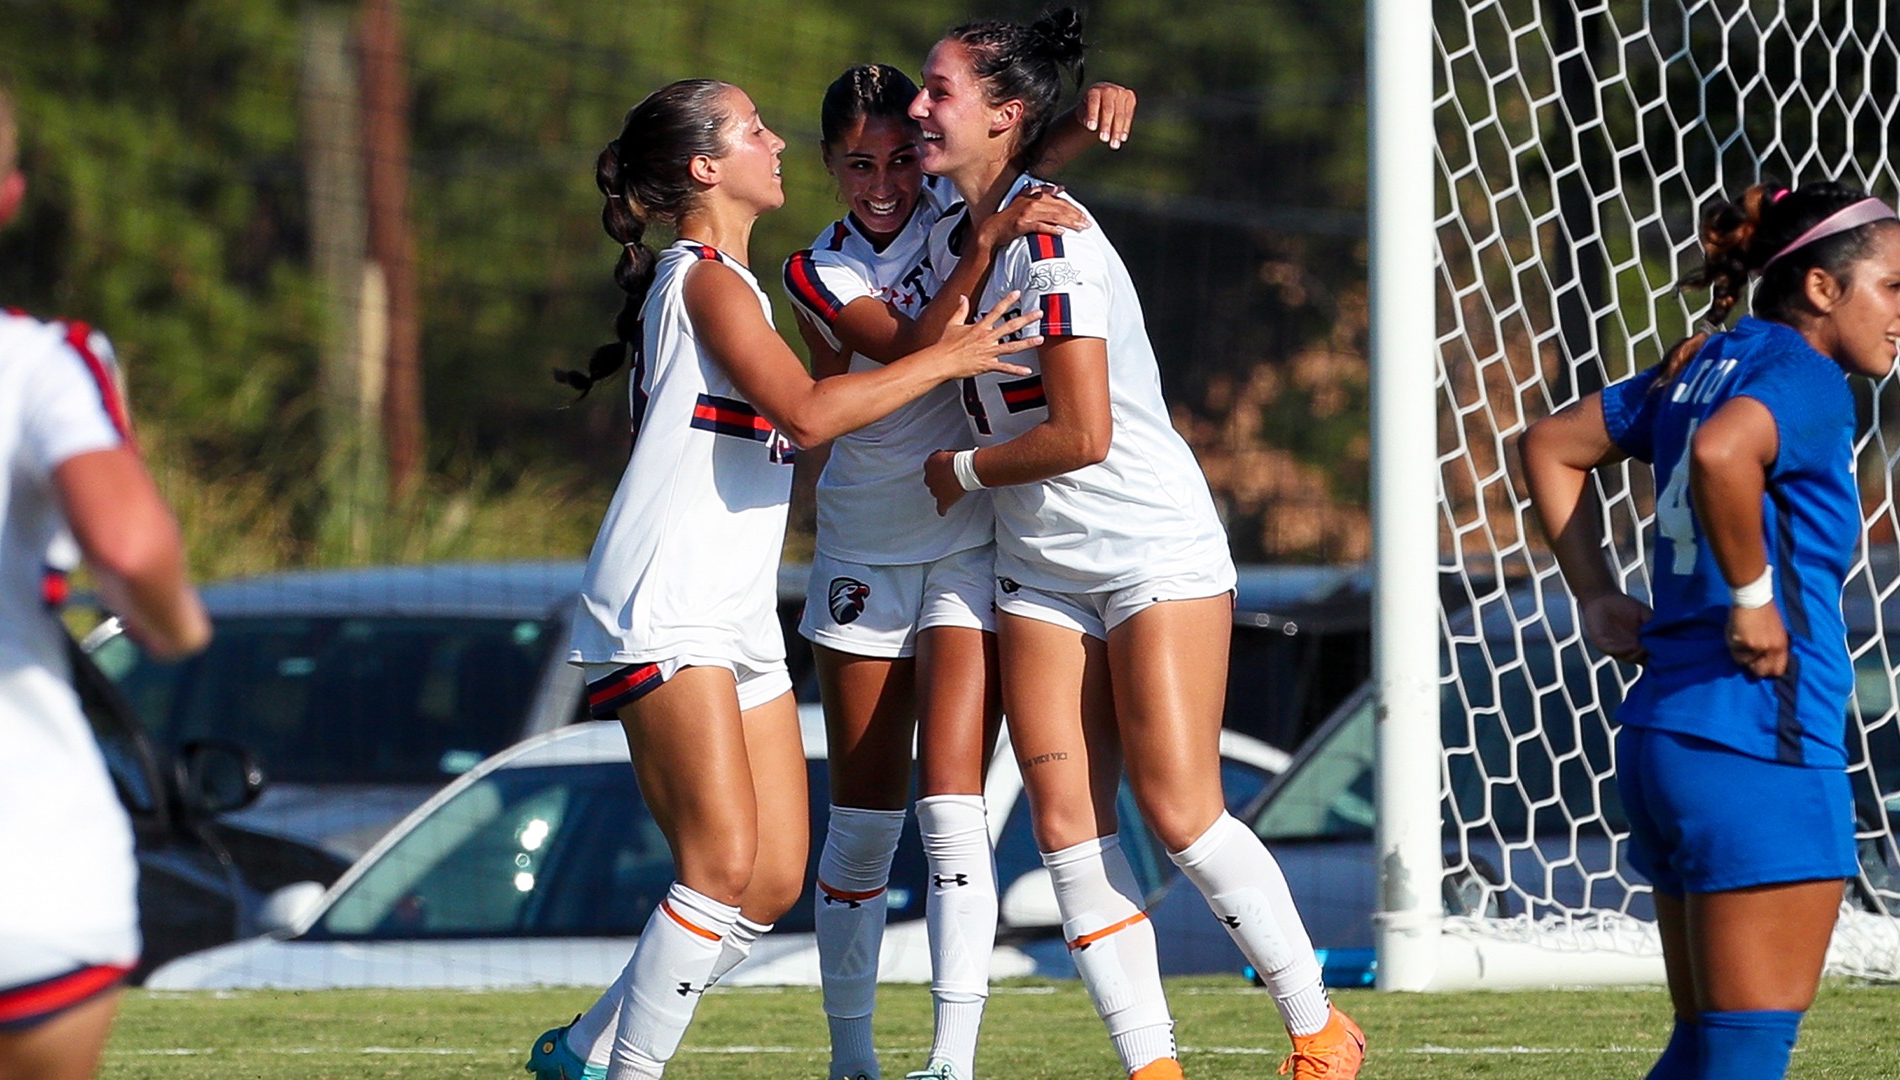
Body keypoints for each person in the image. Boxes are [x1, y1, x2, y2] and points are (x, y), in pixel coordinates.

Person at [524, 78, 1040, 1080]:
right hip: (665, 606)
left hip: (735, 615)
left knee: (765, 884)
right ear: (707, 169)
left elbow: (814, 404)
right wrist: (949, 359)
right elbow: (809, 413)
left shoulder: (740, 286)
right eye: (752, 129)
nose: (776, 143)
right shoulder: (707, 279)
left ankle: (583, 1049)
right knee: (716, 870)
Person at [910, 11, 1364, 1080]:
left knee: (1180, 811)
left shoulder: (1054, 242)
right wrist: (1082, 119)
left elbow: (1082, 436)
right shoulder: (960, 215)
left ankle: (1318, 1031)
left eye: (939, 92)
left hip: (1148, 548)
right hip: (1035, 567)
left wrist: (958, 474)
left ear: (1001, 114)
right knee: (1067, 837)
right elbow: (1013, 173)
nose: (918, 109)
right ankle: (1151, 1068)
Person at [782, 63, 1133, 1080]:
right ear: (829, 166)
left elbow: (1022, 151)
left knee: (953, 809)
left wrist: (1096, 105)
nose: (884, 181)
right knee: (858, 827)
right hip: (860, 542)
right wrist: (983, 244)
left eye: (900, 157)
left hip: (965, 534)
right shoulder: (819, 266)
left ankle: (953, 1061)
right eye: (859, 163)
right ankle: (853, 1058)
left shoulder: (951, 198)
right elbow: (912, 351)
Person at [1522, 180, 1900, 1080]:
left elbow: (1549, 442)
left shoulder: (1701, 362)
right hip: (1758, 738)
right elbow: (1727, 452)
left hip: (1667, 735)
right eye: (1894, 287)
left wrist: (1594, 593)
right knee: (1741, 1055)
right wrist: (1754, 595)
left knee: (1705, 1047)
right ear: (1821, 288)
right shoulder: (1803, 378)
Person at [0, 70, 211, 1080]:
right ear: (7, 195)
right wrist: (175, 627)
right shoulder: (38, 362)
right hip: (18, 872)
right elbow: (128, 543)